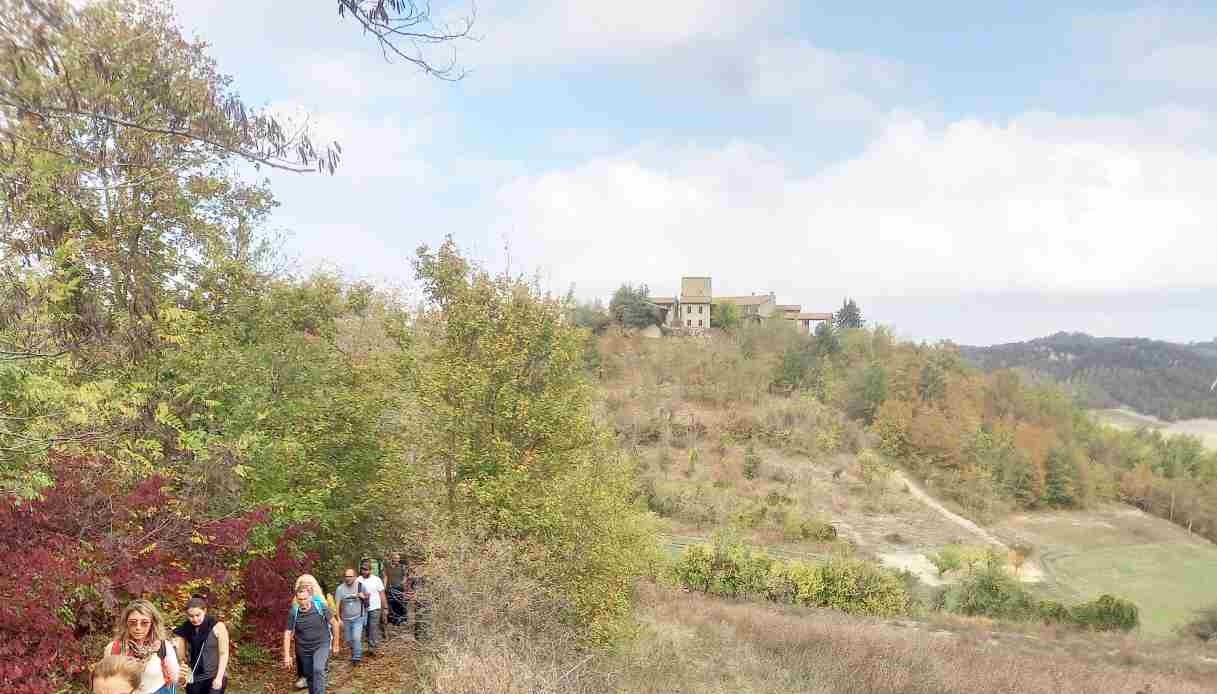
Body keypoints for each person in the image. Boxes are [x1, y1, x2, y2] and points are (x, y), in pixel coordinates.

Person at [105, 600, 181, 694]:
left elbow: (175, 679)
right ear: (126, 623)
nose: (138, 627)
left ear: (152, 623)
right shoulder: (113, 648)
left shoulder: (163, 646)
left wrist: (183, 677)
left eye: (144, 623)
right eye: (133, 622)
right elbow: (106, 679)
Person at [284, 578, 340, 694]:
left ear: (310, 597)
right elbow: (288, 633)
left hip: (321, 644)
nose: (302, 602)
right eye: (300, 599)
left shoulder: (321, 607)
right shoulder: (294, 612)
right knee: (309, 676)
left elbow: (335, 624)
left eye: (305, 598)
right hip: (304, 649)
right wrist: (287, 655)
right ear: (296, 599)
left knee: (318, 670)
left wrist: (335, 644)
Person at [172, 595, 230, 694]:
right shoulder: (184, 628)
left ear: (205, 611)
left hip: (214, 675)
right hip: (194, 676)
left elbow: (223, 653)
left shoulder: (218, 626)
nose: (194, 619)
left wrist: (219, 678)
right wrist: (185, 675)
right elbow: (182, 658)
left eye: (198, 615)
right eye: (191, 616)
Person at [334, 568, 368, 666]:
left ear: (355, 577)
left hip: (358, 617)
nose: (348, 578)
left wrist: (364, 597)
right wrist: (338, 619)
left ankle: (356, 658)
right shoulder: (340, 589)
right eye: (346, 576)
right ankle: (354, 653)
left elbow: (367, 600)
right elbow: (337, 605)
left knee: (356, 637)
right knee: (349, 640)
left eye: (350, 576)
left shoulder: (361, 586)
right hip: (346, 619)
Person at [359, 560, 388, 654]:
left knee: (373, 627)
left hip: (375, 607)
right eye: (363, 569)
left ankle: (373, 648)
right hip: (362, 608)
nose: (364, 571)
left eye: (366, 570)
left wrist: (385, 607)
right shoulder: (358, 580)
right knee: (365, 627)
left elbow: (382, 594)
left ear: (370, 570)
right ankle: (365, 645)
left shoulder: (376, 579)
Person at [383, 551, 408, 626]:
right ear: (392, 558)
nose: (397, 559)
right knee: (391, 604)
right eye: (395, 558)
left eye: (398, 558)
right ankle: (392, 620)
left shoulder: (402, 567)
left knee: (399, 604)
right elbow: (385, 577)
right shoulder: (387, 567)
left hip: (399, 589)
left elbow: (405, 577)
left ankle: (401, 620)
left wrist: (402, 583)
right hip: (390, 588)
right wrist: (384, 587)